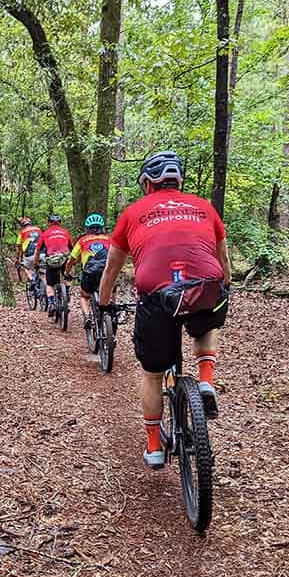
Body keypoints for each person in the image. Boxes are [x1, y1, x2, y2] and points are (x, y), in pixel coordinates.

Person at [98, 150, 231, 470]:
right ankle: (205, 381)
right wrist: (224, 287)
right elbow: (224, 262)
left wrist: (104, 303)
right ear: (178, 180)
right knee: (208, 315)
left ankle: (155, 447)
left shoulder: (132, 213)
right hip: (203, 287)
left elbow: (111, 269)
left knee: (153, 373)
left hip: (157, 296)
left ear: (147, 183)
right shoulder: (204, 208)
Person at [65, 213, 111, 328]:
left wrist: (67, 272)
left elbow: (71, 260)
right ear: (102, 227)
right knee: (111, 291)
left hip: (90, 272)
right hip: (107, 271)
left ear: (87, 228)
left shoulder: (82, 240)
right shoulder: (110, 239)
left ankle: (87, 317)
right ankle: (111, 314)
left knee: (84, 296)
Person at [32, 214, 73, 317]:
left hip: (51, 260)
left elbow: (37, 250)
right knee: (67, 275)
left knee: (50, 284)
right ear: (60, 223)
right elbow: (72, 248)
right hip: (64, 258)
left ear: (49, 223)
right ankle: (67, 294)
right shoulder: (65, 232)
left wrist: (35, 263)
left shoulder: (45, 233)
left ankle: (52, 303)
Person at [15, 217, 42, 283]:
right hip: (42, 253)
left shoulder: (22, 232)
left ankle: (31, 279)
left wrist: (17, 258)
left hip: (29, 255)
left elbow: (19, 247)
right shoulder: (38, 229)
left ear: (22, 225)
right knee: (42, 270)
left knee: (26, 267)